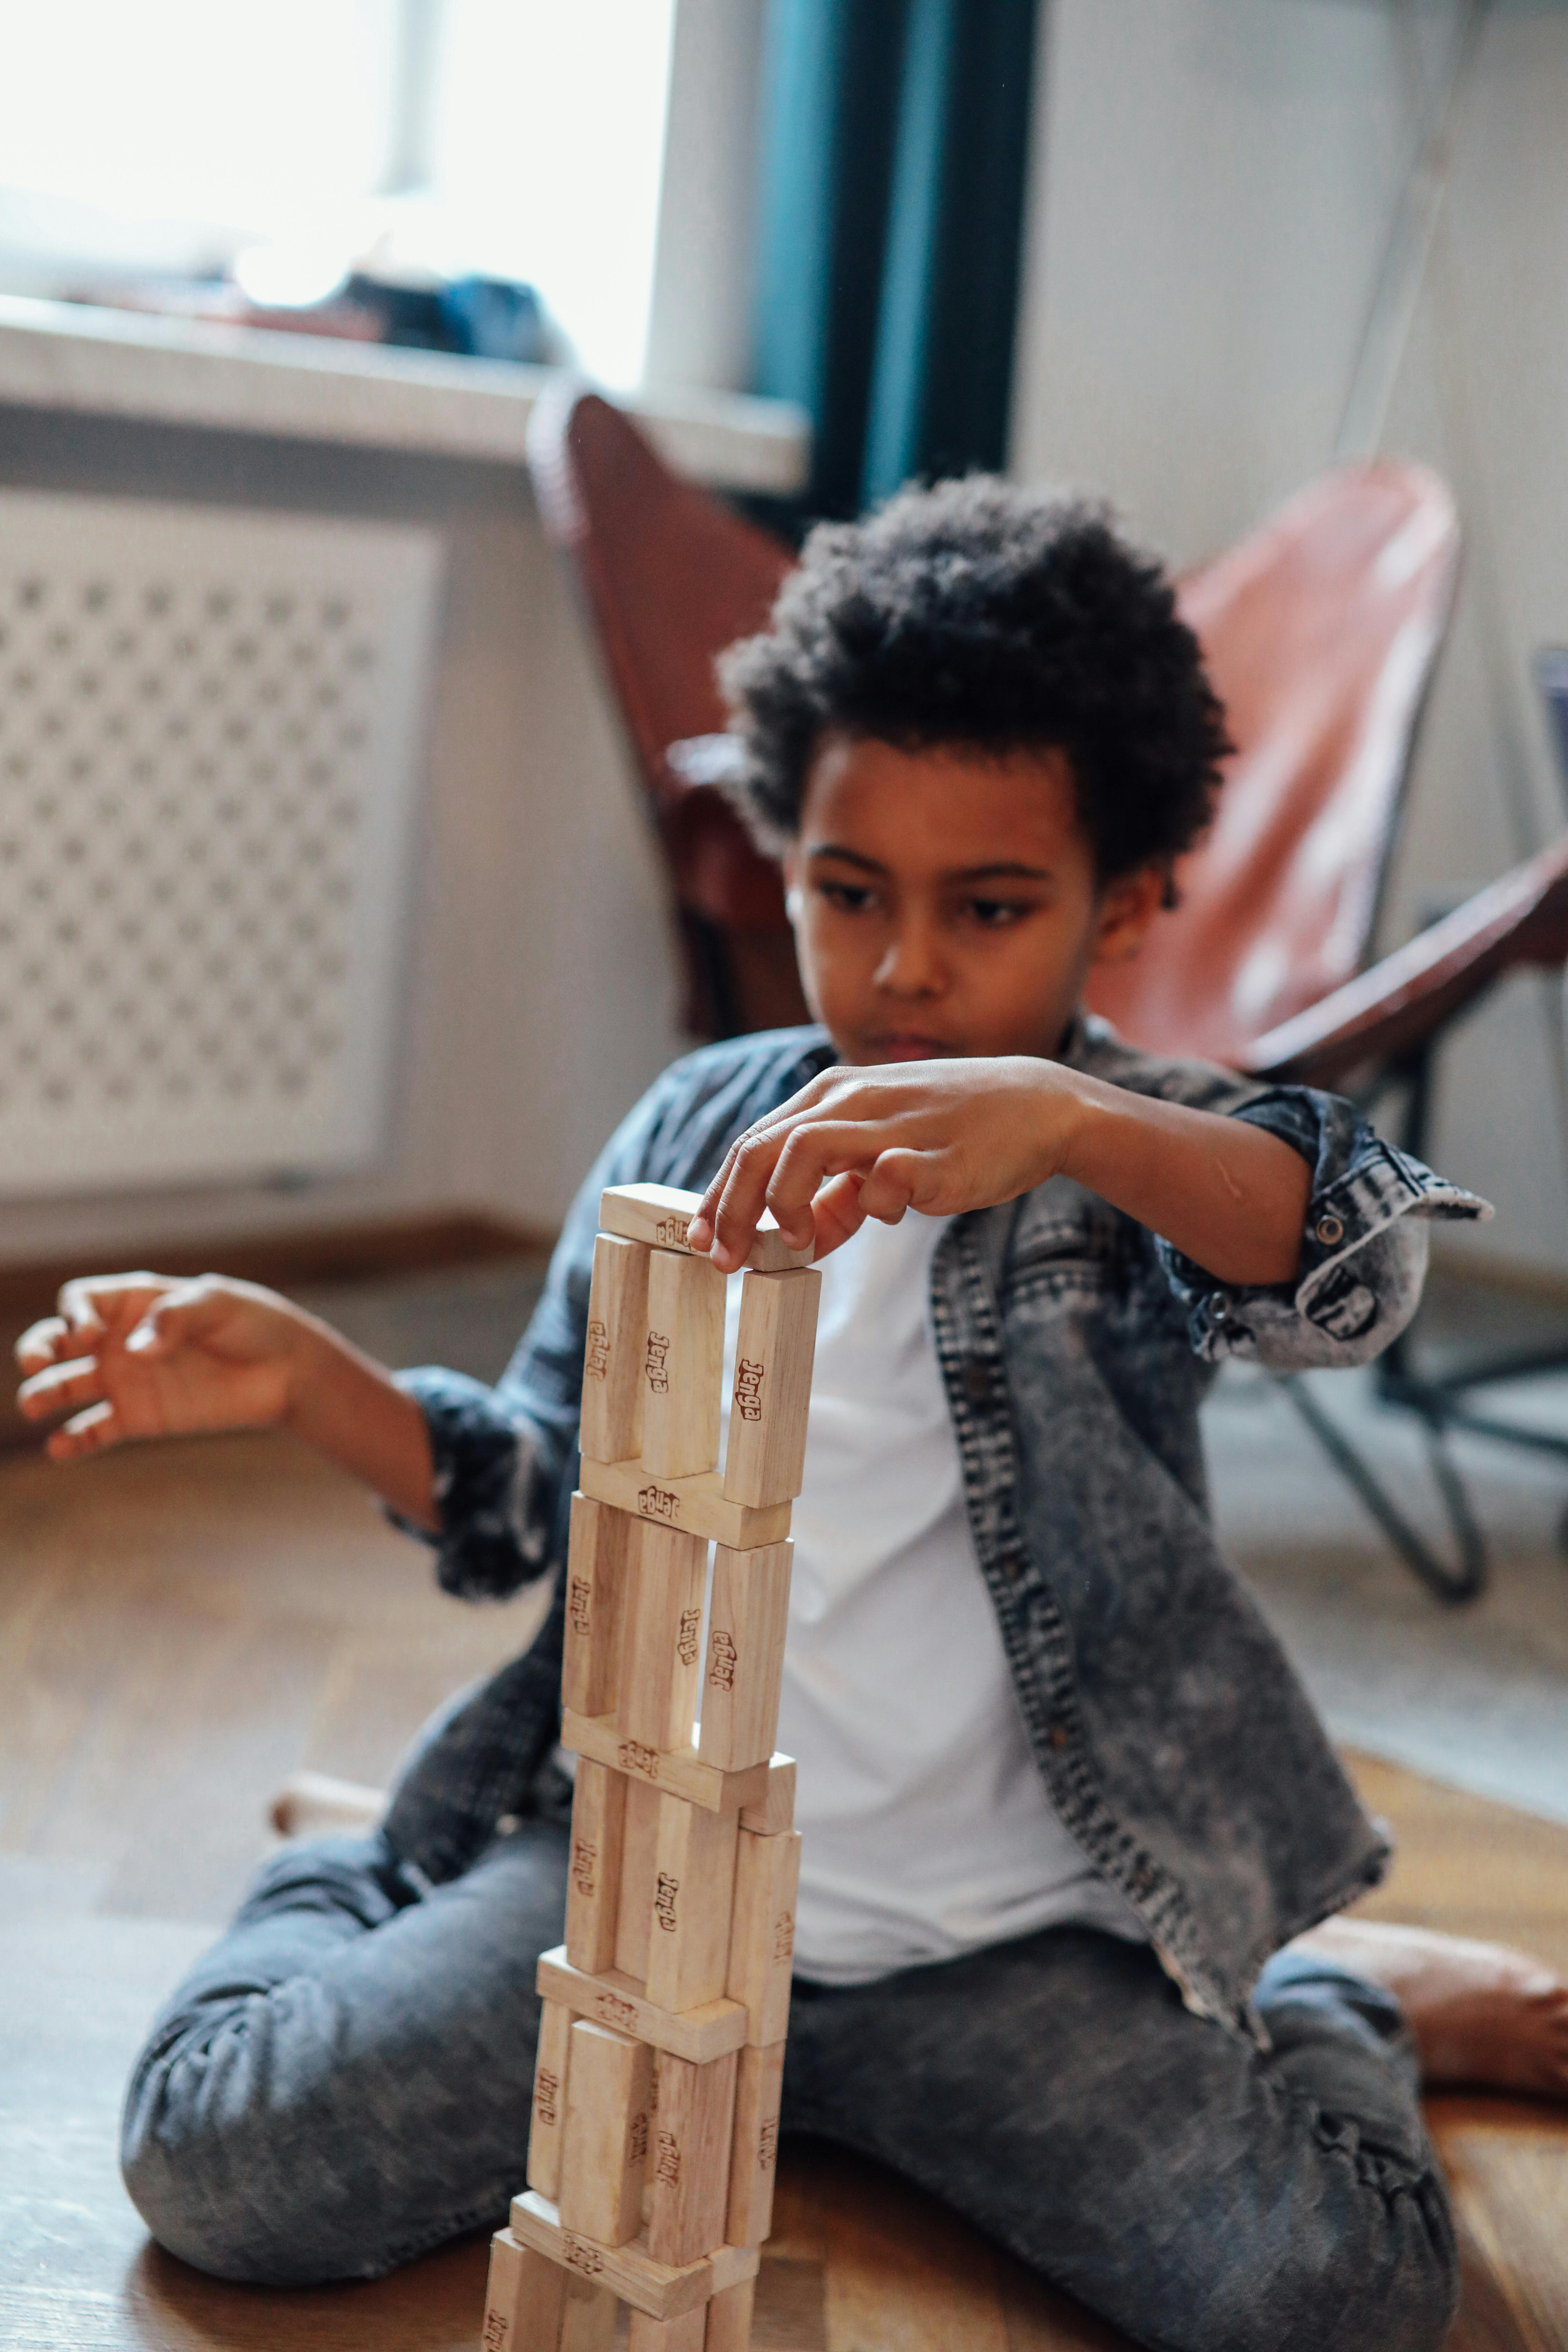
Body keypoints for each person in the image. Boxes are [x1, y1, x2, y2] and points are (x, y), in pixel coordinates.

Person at [17, 479, 1566, 2352]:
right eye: (850, 894)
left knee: (1334, 2302)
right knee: (216, 2164)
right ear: (785, 862)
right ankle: (366, 1853)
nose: (908, 969)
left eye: (989, 909)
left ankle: (1330, 1990)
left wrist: (1071, 1121)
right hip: (645, 1893)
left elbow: (1355, 1264)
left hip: (1004, 1953)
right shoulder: (691, 1130)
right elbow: (525, 1506)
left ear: (1128, 898)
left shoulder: (1135, 1150)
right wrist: (312, 1385)